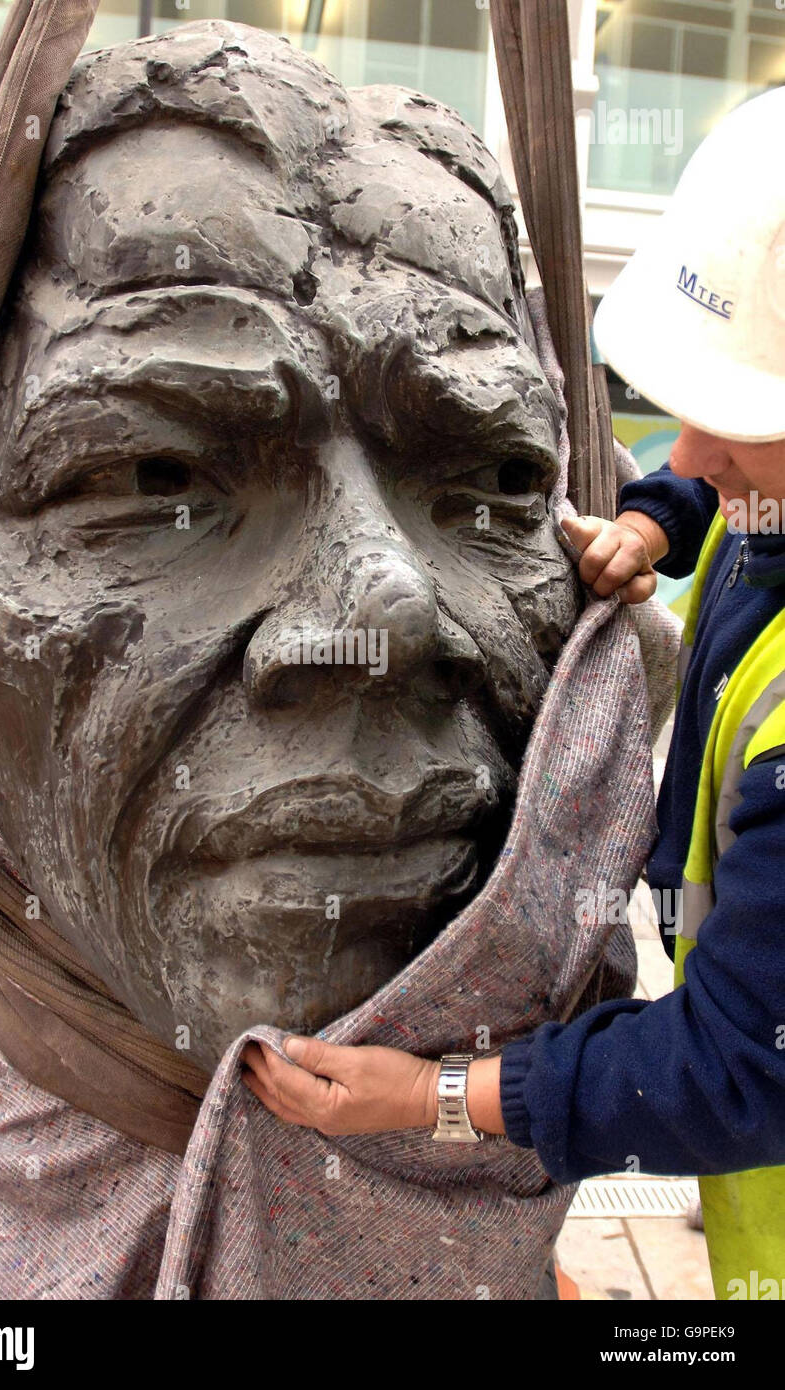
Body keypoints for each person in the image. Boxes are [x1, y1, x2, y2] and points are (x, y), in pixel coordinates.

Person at [243, 84, 785, 1300]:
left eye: (741, 424)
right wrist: (660, 519)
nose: (687, 448)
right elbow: (719, 482)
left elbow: (737, 1069)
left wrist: (434, 1094)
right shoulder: (756, 485)